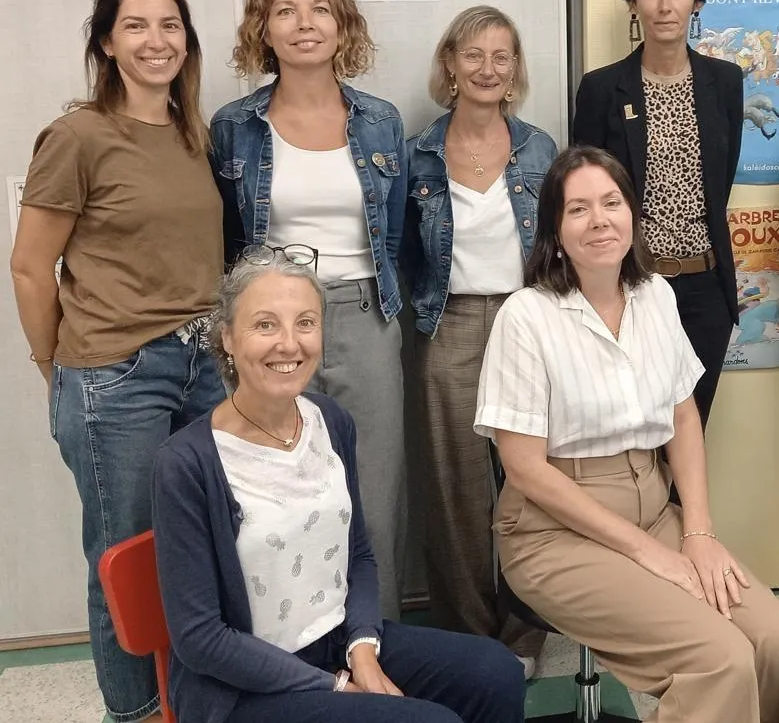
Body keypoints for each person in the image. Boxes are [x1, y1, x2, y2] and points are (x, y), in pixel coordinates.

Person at [476, 146, 779, 723]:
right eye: (577, 209)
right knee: (720, 660)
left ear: (633, 213)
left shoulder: (656, 296)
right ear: (554, 228)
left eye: (611, 202)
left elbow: (682, 417)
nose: (599, 219)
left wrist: (697, 533)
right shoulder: (526, 316)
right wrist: (650, 554)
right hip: (554, 532)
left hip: (655, 509)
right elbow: (525, 468)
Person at [151, 250, 526, 723]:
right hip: (243, 687)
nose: (289, 344)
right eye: (265, 325)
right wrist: (335, 685)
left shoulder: (330, 421)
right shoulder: (186, 462)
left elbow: (360, 556)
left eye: (305, 323)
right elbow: (200, 639)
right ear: (226, 337)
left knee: (495, 672)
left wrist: (363, 651)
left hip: (336, 643)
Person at [9, 0, 225, 723]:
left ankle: (196, 700)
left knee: (203, 548)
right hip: (115, 375)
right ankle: (133, 714)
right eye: (135, 25)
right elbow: (32, 266)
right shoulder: (77, 136)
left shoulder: (196, 133)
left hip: (203, 367)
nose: (156, 40)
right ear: (107, 41)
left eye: (170, 24)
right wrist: (54, 368)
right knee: (124, 561)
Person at [210, 0, 409, 618]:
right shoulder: (235, 126)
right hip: (273, 324)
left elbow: (401, 231)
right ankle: (296, 650)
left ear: (341, 24)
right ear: (263, 28)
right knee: (281, 492)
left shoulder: (380, 122)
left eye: (319, 8)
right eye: (286, 10)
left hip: (363, 314)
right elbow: (227, 242)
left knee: (373, 494)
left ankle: (377, 643)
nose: (304, 24)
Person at [403, 5, 557, 676]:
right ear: (450, 65)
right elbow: (399, 248)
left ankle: (524, 638)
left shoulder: (540, 150)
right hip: (451, 324)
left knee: (532, 485)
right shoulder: (416, 155)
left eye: (502, 55)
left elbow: (558, 246)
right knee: (455, 491)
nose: (488, 68)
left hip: (529, 322)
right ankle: (468, 642)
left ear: (516, 69)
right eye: (474, 54)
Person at [572, 0, 743, 429]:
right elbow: (586, 193)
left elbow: (720, 177)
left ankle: (682, 511)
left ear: (697, 2)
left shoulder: (725, 82)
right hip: (633, 284)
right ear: (633, 2)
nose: (665, 5)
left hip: (706, 286)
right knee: (634, 428)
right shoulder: (603, 88)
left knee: (692, 426)